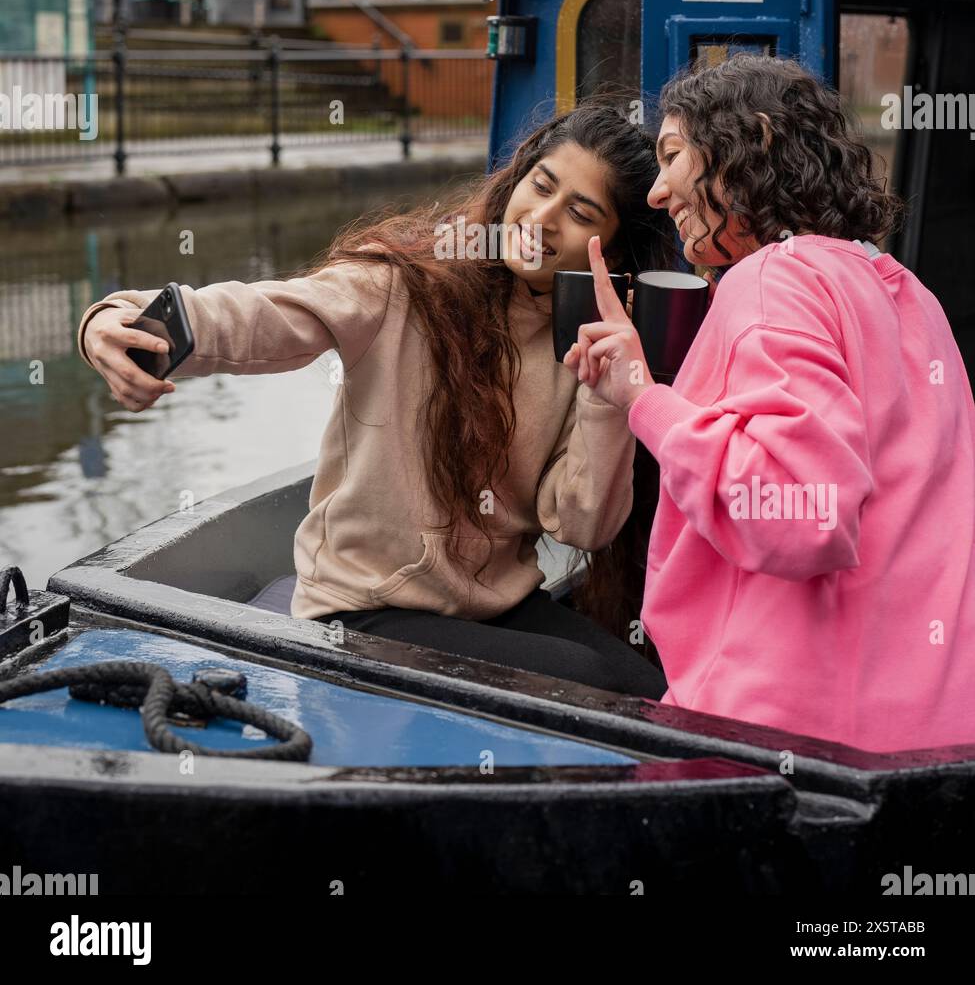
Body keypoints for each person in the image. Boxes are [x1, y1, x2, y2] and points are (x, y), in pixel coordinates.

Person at [77, 100, 673, 698]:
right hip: (362, 608)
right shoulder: (408, 282)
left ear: (613, 252)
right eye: (539, 186)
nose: (540, 218)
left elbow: (581, 526)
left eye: (579, 212)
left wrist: (605, 395)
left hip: (490, 605)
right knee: (599, 686)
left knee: (643, 680)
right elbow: (270, 313)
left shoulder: (587, 342)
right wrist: (123, 319)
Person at [564, 54, 975, 752]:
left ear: (748, 144)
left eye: (672, 156)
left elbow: (799, 513)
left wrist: (642, 398)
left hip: (780, 745)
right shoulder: (905, 289)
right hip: (928, 733)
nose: (658, 194)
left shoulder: (771, 279)